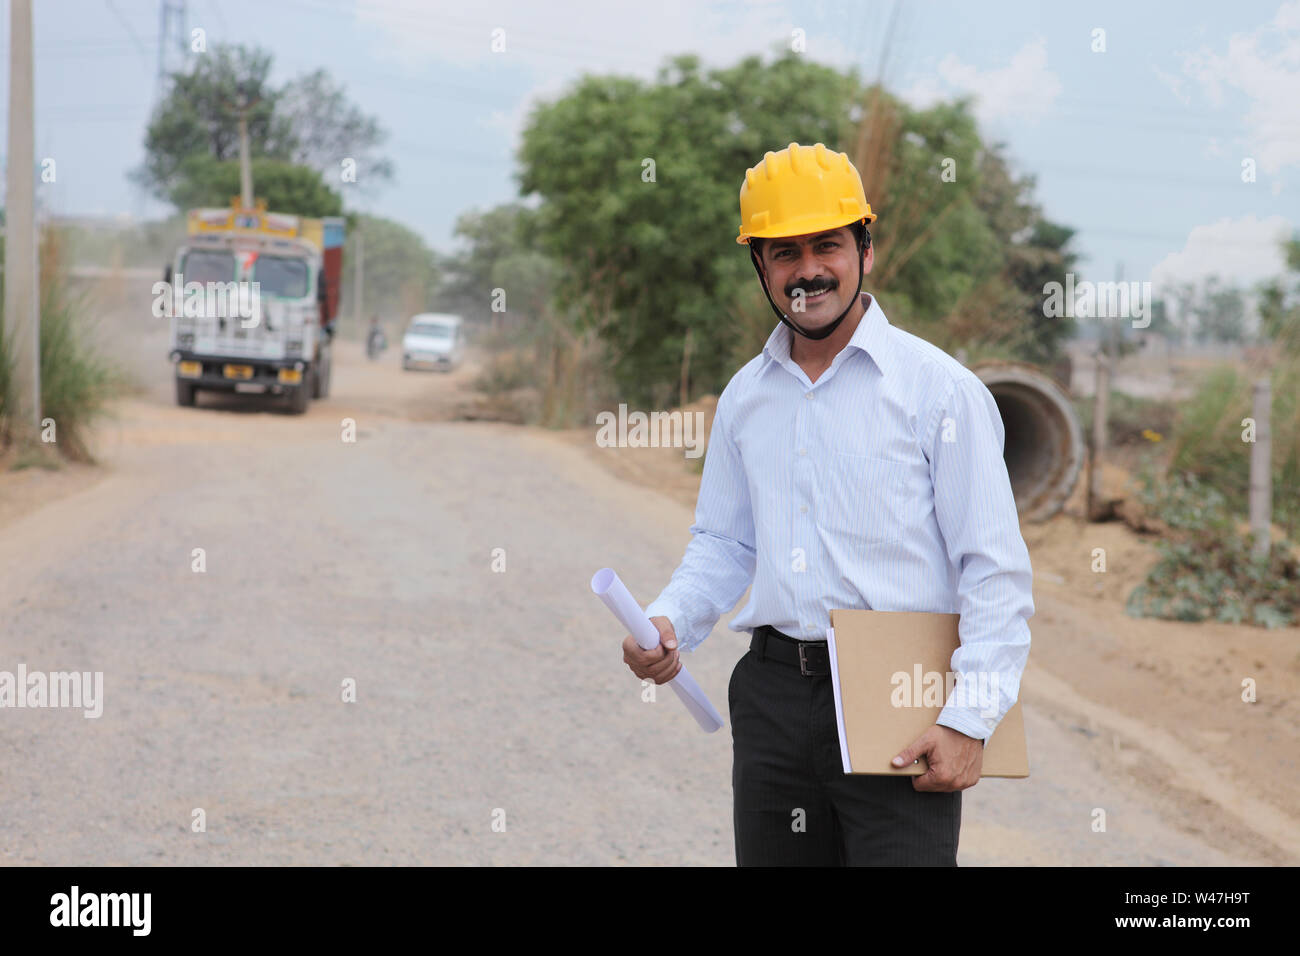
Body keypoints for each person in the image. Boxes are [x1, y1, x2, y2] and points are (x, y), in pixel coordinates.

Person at [622, 142, 1034, 866]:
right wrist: (669, 621)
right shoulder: (747, 397)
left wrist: (970, 719)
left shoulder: (940, 392)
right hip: (774, 696)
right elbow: (724, 542)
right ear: (760, 266)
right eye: (784, 252)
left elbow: (993, 571)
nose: (807, 269)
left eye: (827, 245)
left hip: (901, 697)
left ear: (865, 251)